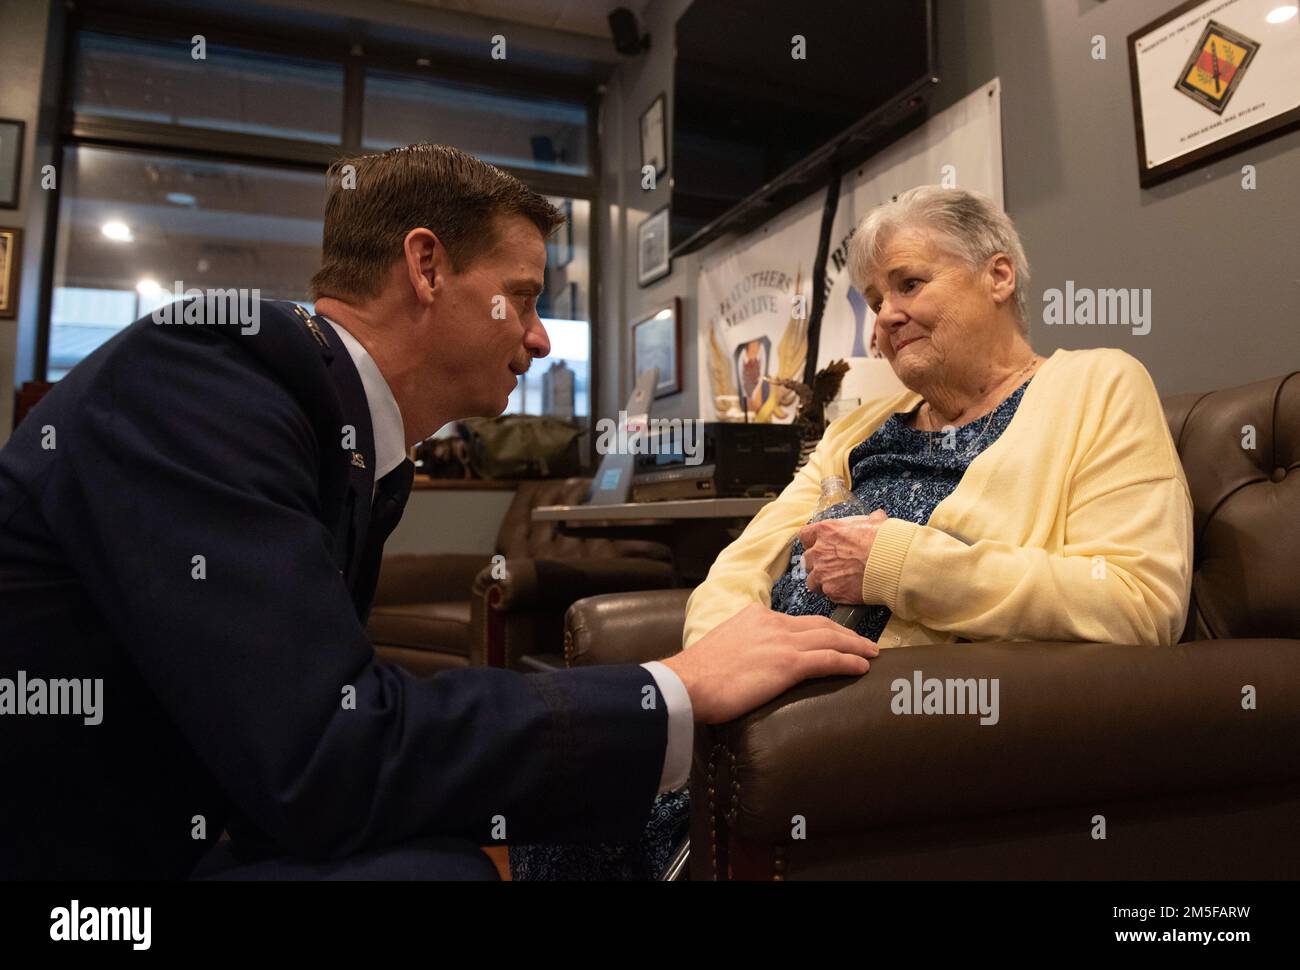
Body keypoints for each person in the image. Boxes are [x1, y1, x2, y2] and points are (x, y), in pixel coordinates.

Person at [0, 144, 878, 881]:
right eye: (525, 297)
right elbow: (325, 751)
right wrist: (673, 689)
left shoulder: (348, 439)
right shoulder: (205, 381)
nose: (538, 338)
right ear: (425, 267)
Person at [515, 184, 1194, 879]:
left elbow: (1139, 601)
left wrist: (899, 565)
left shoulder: (1099, 387)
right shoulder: (863, 425)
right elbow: (744, 560)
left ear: (998, 275)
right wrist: (727, 662)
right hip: (756, 706)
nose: (885, 320)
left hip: (876, 719)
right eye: (874, 300)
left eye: (909, 284)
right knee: (561, 800)